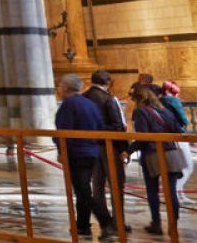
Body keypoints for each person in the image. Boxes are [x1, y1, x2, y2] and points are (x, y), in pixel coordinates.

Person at [56, 73, 116, 242]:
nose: (59, 88)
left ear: (66, 88)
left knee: (83, 191)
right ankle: (82, 225)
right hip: (92, 152)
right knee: (83, 189)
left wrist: (62, 150)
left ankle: (107, 223)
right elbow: (99, 126)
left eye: (60, 85)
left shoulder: (69, 104)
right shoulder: (89, 104)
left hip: (76, 153)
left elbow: (63, 130)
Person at [131, 83, 184, 236]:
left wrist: (128, 151)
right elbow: (178, 130)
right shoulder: (165, 111)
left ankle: (156, 223)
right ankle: (174, 223)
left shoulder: (141, 112)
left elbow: (143, 138)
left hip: (153, 155)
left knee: (153, 191)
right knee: (171, 191)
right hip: (171, 153)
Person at [84, 69, 127, 225]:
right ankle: (118, 221)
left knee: (97, 186)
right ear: (108, 83)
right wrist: (124, 148)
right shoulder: (109, 99)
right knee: (115, 184)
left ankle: (104, 221)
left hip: (90, 147)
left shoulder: (83, 98)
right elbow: (118, 127)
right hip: (109, 147)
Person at [160, 81, 194, 206]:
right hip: (178, 135)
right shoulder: (173, 101)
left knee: (178, 167)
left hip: (167, 137)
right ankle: (175, 193)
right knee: (188, 166)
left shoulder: (160, 101)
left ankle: (178, 193)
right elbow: (184, 119)